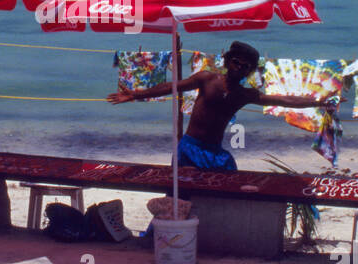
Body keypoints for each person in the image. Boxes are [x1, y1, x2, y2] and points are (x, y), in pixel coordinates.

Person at [106, 40, 341, 172]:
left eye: (246, 67)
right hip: (189, 147)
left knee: (226, 185)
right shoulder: (207, 79)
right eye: (237, 62)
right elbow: (171, 86)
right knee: (180, 194)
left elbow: (284, 100)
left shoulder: (244, 94)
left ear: (250, 71)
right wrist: (136, 94)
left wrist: (319, 102)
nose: (240, 68)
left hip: (216, 153)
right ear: (228, 61)